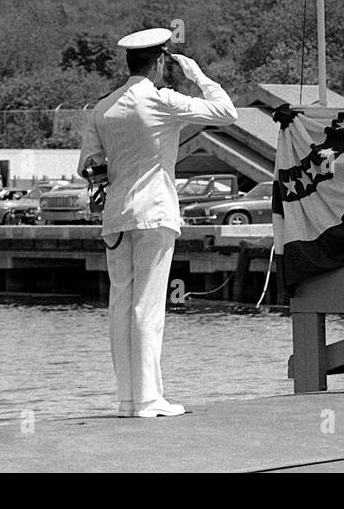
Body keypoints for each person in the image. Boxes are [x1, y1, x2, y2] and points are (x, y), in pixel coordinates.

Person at [77, 27, 238, 418]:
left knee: (121, 305)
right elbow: (226, 112)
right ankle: (149, 399)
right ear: (162, 61)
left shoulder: (103, 108)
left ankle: (127, 400)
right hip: (154, 213)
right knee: (147, 307)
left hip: (116, 216)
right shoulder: (163, 101)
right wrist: (198, 75)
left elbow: (87, 166)